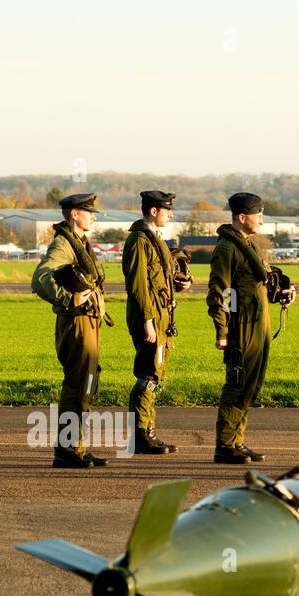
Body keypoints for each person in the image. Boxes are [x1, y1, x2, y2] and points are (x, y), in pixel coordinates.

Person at [31, 192, 111, 468]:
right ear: (74, 214)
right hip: (76, 323)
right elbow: (40, 278)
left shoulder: (79, 243)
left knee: (86, 384)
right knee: (77, 385)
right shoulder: (64, 245)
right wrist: (69, 299)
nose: (92, 216)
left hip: (88, 322)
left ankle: (76, 447)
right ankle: (66, 450)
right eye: (88, 212)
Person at [207, 191, 281, 465]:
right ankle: (225, 445)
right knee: (237, 384)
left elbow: (258, 282)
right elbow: (221, 293)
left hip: (259, 326)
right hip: (241, 328)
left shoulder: (250, 245)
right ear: (242, 217)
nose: (261, 221)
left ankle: (237, 440)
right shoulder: (227, 249)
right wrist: (223, 331)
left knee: (251, 385)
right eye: (257, 215)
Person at [123, 189, 190, 454]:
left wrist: (177, 286)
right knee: (148, 375)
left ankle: (148, 432)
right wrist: (148, 321)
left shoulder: (155, 239)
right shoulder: (140, 241)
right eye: (167, 209)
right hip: (148, 318)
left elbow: (158, 280)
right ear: (153, 211)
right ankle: (140, 436)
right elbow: (138, 285)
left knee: (156, 374)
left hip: (162, 317)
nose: (170, 214)